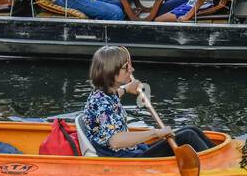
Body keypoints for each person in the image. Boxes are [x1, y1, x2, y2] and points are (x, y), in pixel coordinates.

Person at [79, 46, 215, 157]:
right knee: (188, 136)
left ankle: (221, 153)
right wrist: (156, 133)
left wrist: (126, 89)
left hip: (133, 149)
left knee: (191, 129)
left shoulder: (104, 92)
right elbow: (115, 141)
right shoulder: (102, 103)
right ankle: (216, 165)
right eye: (126, 67)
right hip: (128, 159)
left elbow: (112, 101)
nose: (131, 70)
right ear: (110, 71)